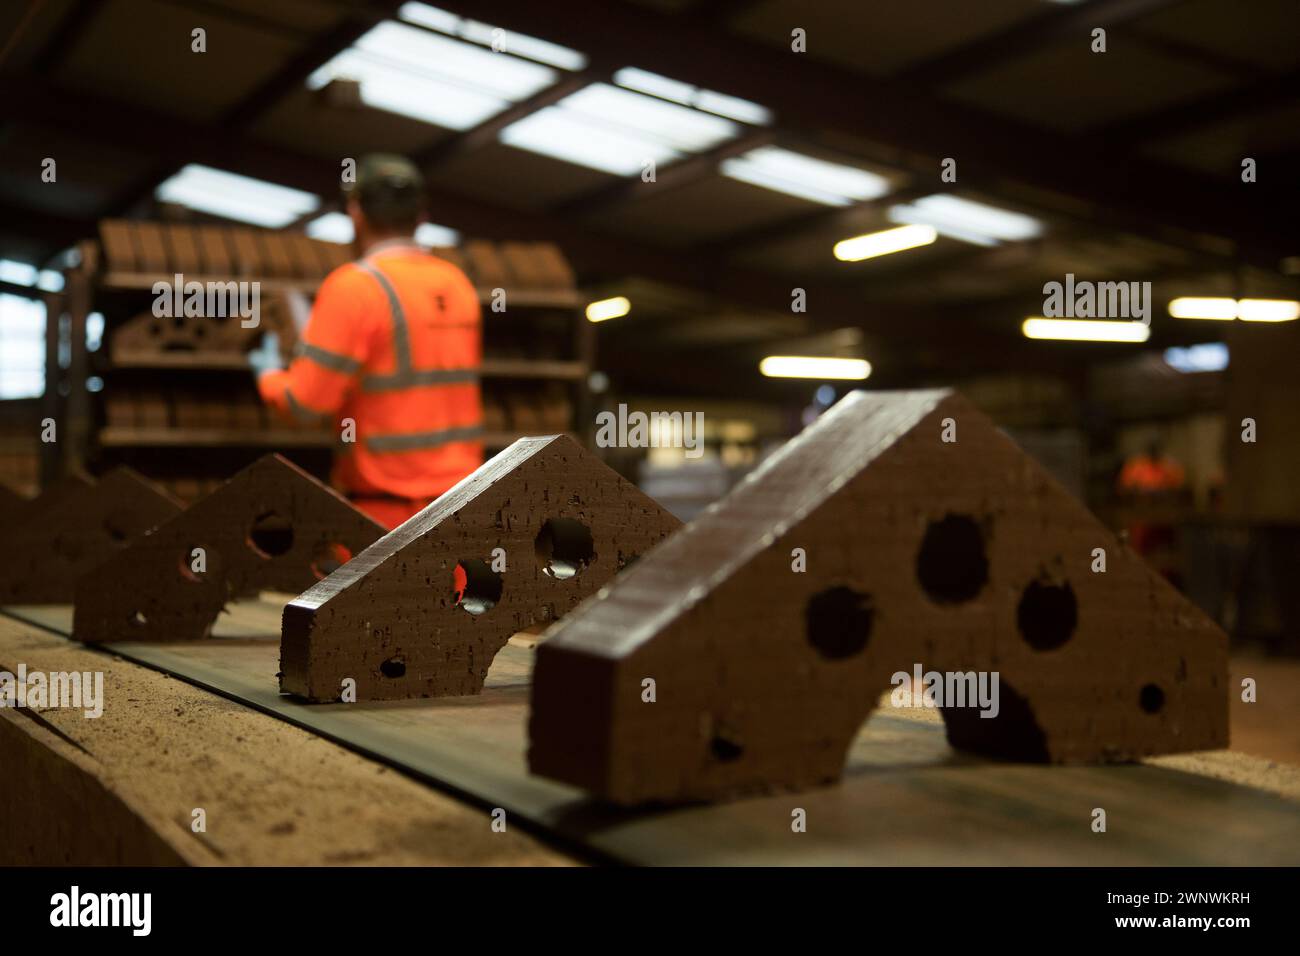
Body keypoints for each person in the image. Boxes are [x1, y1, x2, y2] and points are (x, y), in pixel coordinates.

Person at [253, 155, 483, 528]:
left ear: (356, 211)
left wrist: (268, 375)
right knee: (455, 589)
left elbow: (304, 404)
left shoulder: (355, 287)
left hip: (384, 517)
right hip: (463, 505)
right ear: (421, 216)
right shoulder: (457, 284)